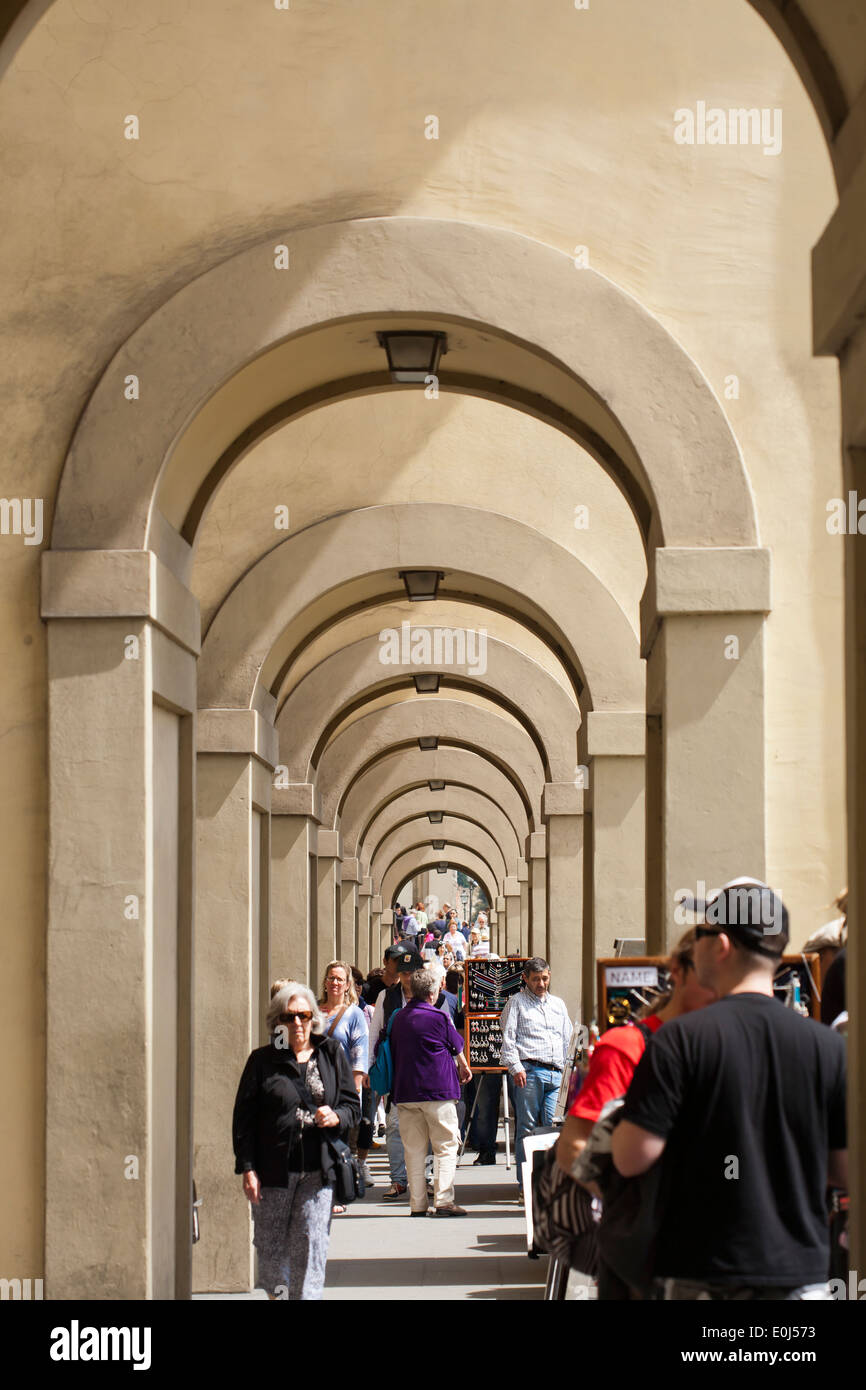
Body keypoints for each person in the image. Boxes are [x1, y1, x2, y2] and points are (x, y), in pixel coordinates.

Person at [611, 879, 848, 1300]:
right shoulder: (828, 1046)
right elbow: (844, 1169)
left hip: (703, 1268)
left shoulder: (679, 1040)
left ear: (720, 944)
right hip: (802, 1272)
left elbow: (632, 1157)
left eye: (699, 934)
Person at [232, 982, 360, 1300]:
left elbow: (352, 1107)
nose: (298, 1023)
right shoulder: (262, 1061)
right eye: (290, 1017)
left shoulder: (330, 1053)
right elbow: (243, 1120)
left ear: (313, 1018)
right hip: (273, 1170)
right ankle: (278, 1295)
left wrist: (337, 1116)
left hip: (318, 1169)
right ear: (278, 1022)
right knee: (271, 1248)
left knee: (310, 1243)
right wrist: (247, 1167)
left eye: (304, 1015)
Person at [390, 966, 473, 1215]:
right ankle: (444, 1200)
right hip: (438, 1090)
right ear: (434, 992)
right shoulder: (438, 1017)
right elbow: (457, 1045)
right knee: (445, 1145)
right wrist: (464, 1066)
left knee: (413, 1148)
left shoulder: (398, 1018)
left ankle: (417, 1204)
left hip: (405, 1091)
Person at [499, 955, 574, 1193]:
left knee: (554, 1127)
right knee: (528, 1128)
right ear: (525, 979)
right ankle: (527, 1183)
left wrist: (567, 1071)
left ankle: (551, 1180)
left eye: (544, 979)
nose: (540, 984)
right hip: (529, 1072)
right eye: (535, 980)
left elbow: (567, 1037)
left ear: (549, 976)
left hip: (555, 1073)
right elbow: (508, 1037)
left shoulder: (558, 1005)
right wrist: (516, 1067)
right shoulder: (517, 1003)